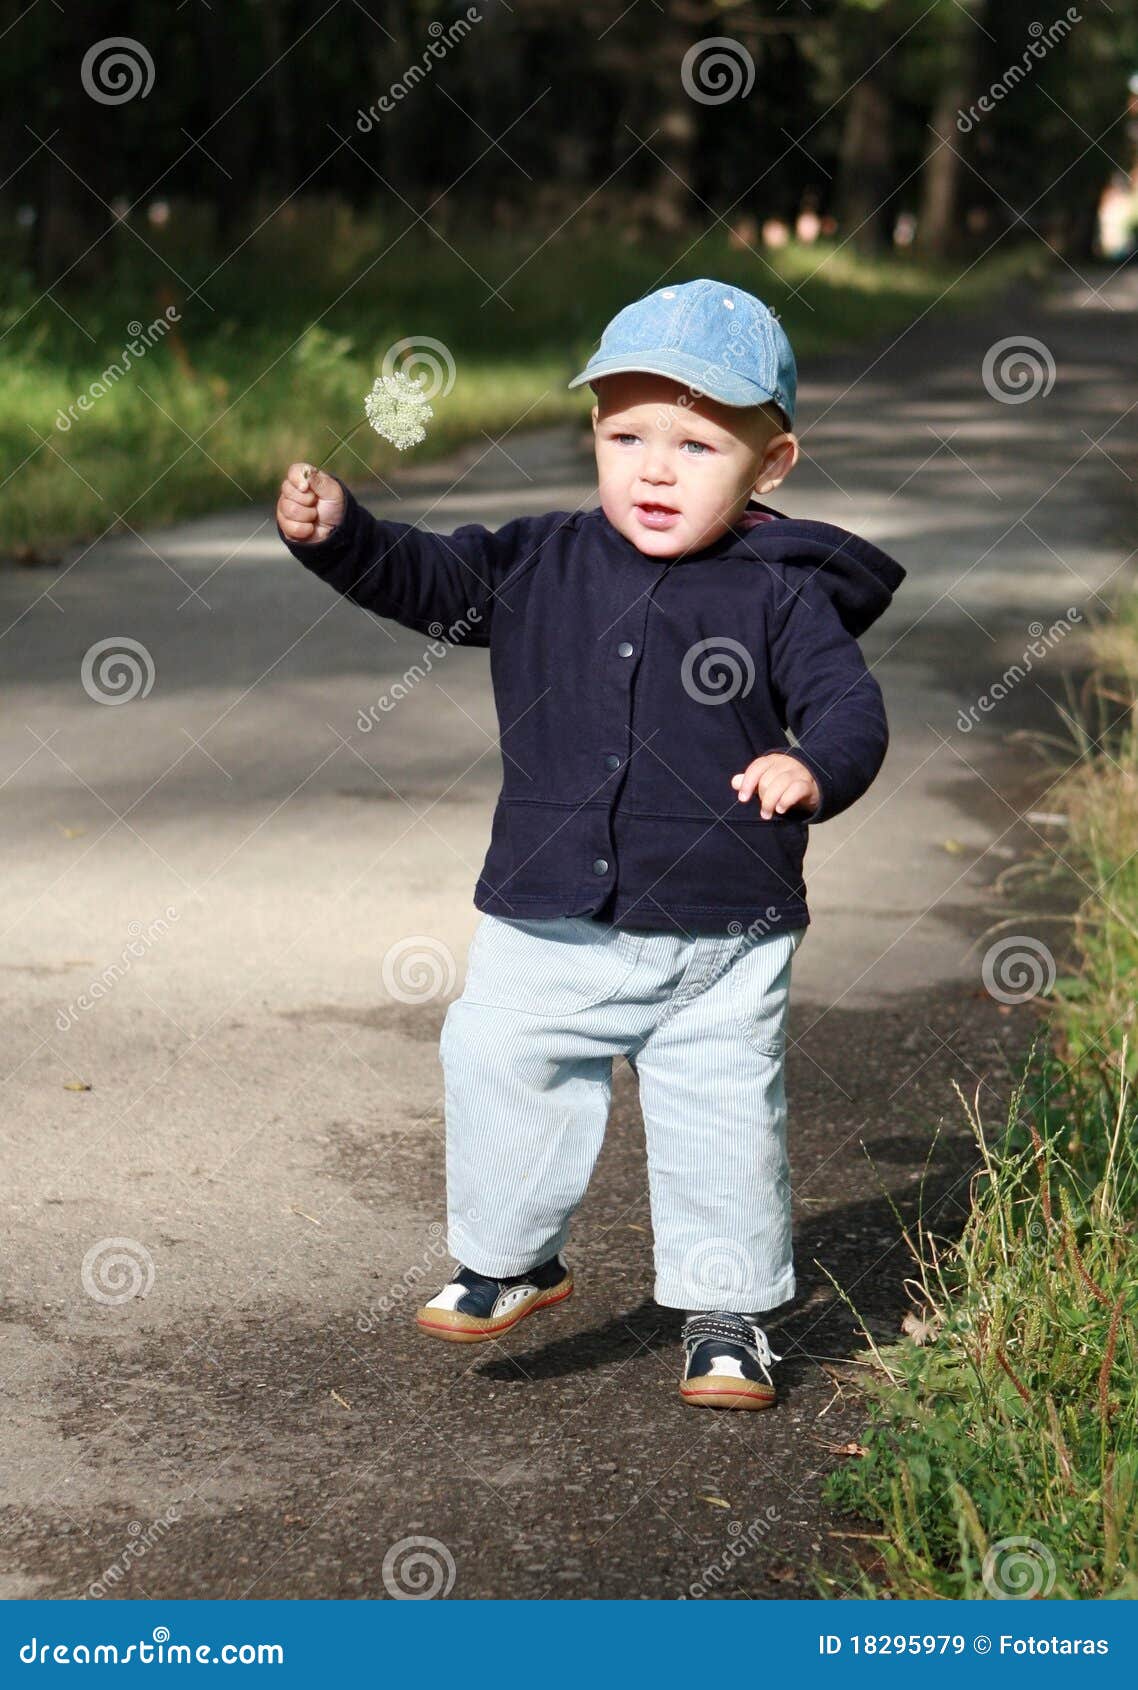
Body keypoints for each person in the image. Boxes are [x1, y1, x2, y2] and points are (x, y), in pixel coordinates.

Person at [275, 278, 905, 1410]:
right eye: (626, 436)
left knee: (720, 1117)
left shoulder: (780, 592)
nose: (654, 469)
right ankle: (512, 1259)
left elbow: (850, 708)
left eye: (697, 444)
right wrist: (341, 538)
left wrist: (814, 769)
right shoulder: (541, 561)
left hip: (726, 926)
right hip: (544, 910)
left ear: (771, 465)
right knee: (497, 1060)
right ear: (594, 436)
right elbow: (428, 577)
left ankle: (728, 1314)